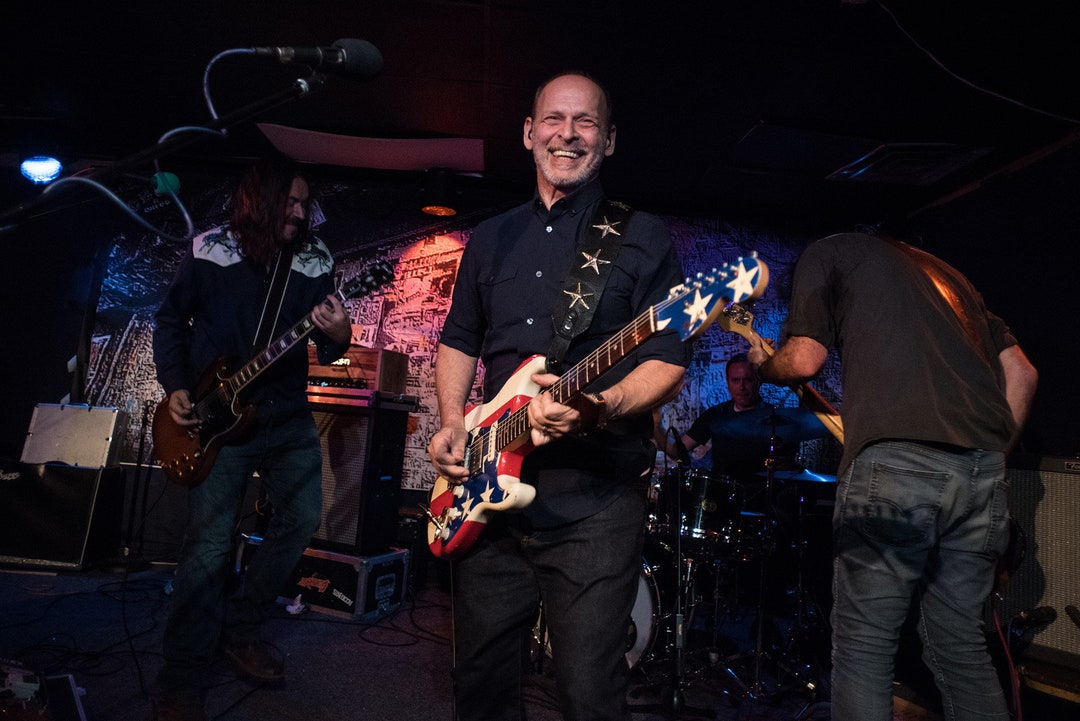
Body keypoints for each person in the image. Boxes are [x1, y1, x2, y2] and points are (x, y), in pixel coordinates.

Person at [427, 72, 689, 721]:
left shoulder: (643, 236)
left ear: (609, 140)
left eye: (585, 122)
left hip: (596, 500)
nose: (567, 134)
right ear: (528, 132)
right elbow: (459, 339)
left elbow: (669, 359)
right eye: (553, 119)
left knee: (588, 689)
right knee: (481, 681)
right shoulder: (489, 238)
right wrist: (452, 421)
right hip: (490, 492)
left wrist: (605, 404)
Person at [746, 229, 1038, 721]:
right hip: (982, 470)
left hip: (895, 464)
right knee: (962, 648)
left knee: (865, 646)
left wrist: (763, 366)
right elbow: (1024, 374)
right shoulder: (952, 277)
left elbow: (804, 358)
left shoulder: (828, 251)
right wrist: (993, 458)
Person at [152, 158, 352, 721]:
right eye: (287, 201)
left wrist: (339, 334)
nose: (298, 212)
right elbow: (170, 324)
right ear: (257, 200)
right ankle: (182, 672)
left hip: (287, 418)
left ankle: (240, 630)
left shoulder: (316, 259)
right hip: (217, 418)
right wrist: (174, 389)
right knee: (209, 547)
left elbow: (331, 344)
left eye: (304, 203)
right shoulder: (211, 249)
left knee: (301, 521)